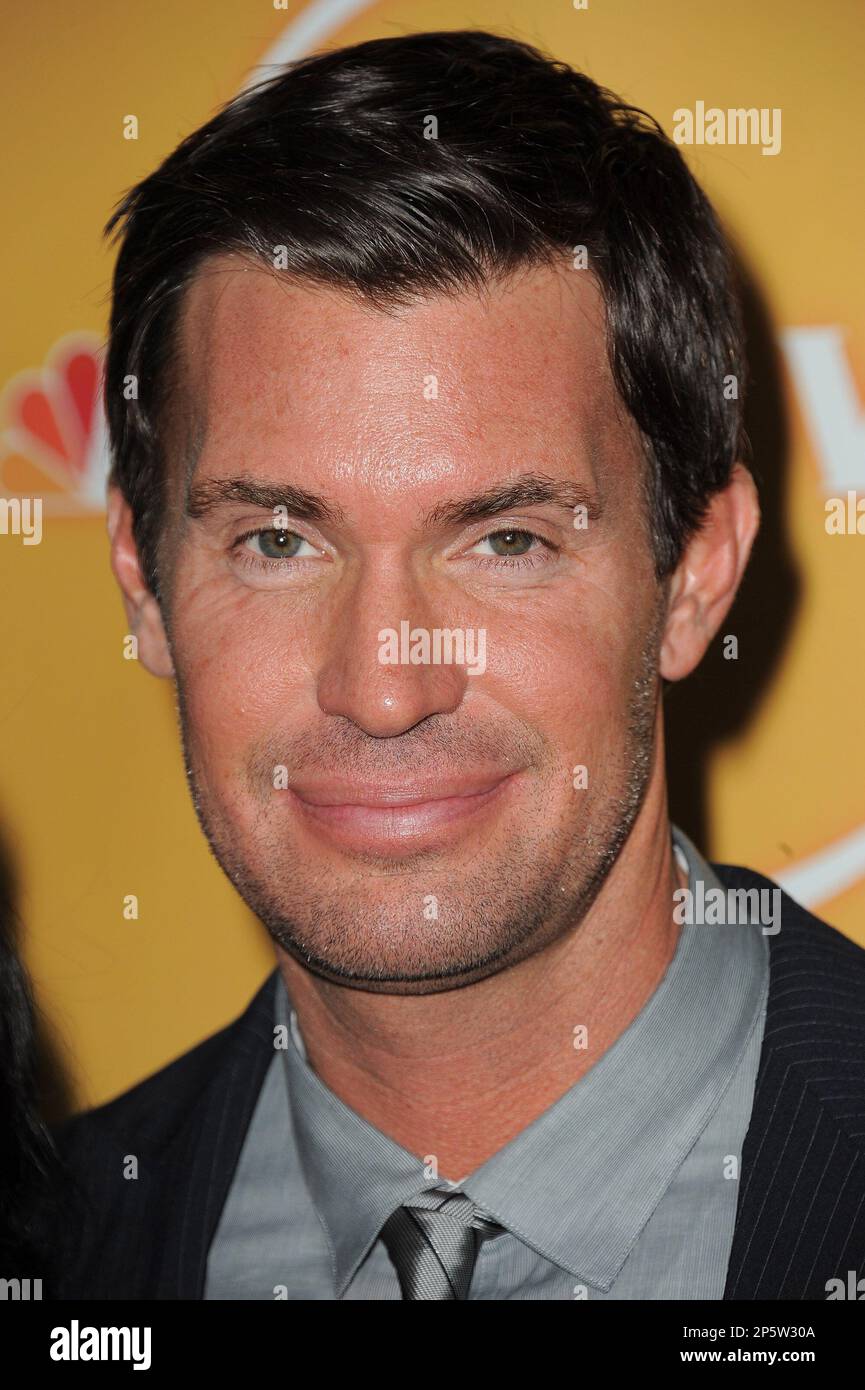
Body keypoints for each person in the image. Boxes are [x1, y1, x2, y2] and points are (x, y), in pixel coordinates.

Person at [53, 29, 865, 1300]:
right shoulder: (55, 1243)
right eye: (277, 539)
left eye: (506, 540)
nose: (383, 684)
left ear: (695, 575)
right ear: (144, 580)